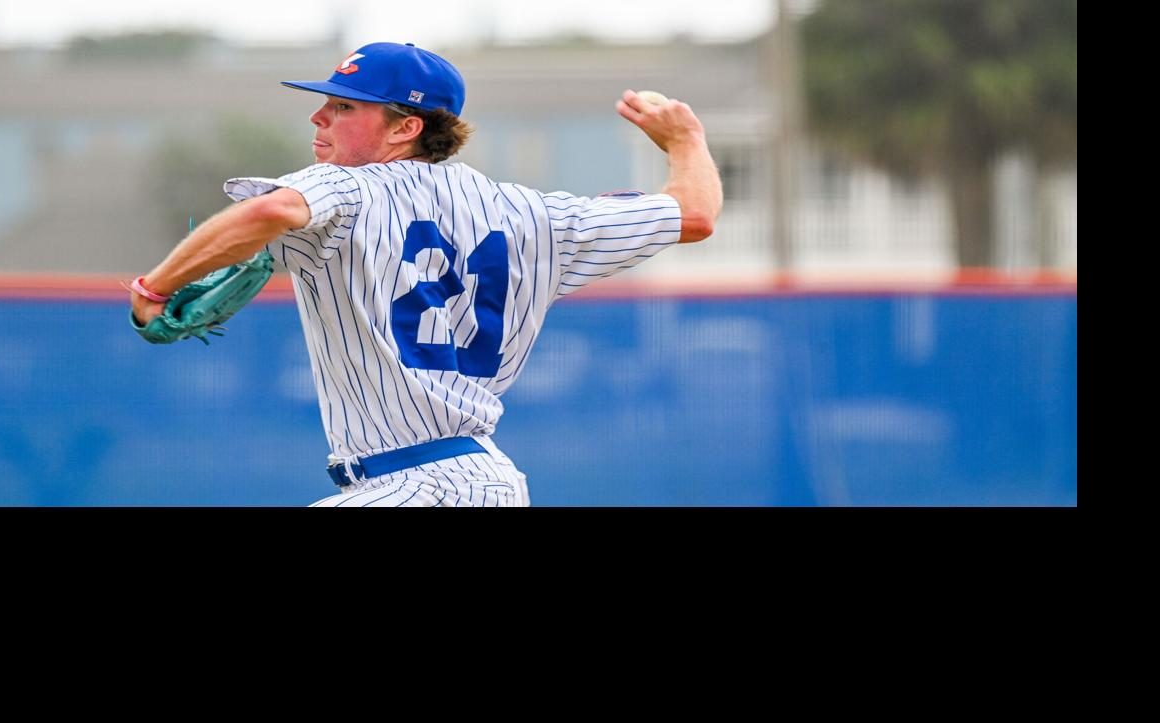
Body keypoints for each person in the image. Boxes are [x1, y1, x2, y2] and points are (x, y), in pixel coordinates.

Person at [127, 42, 722, 506]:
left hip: (414, 484)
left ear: (406, 127)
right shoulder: (537, 216)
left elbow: (271, 210)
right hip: (482, 481)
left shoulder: (346, 188)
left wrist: (155, 288)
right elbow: (693, 214)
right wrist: (686, 140)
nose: (319, 116)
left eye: (344, 106)